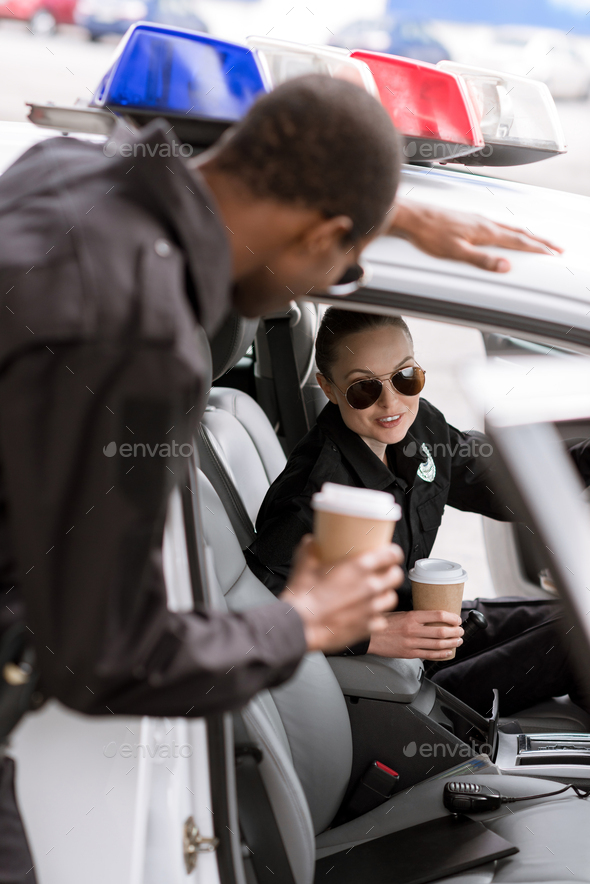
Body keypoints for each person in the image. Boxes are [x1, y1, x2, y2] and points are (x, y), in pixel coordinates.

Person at [0, 74, 562, 881]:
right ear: (317, 229)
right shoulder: (137, 344)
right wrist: (303, 620)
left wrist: (378, 211)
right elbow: (101, 659)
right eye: (339, 260)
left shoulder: (70, 173)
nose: (318, 287)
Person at [252, 307, 590, 718]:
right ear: (328, 387)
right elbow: (258, 619)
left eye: (405, 377)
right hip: (395, 683)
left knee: (578, 616)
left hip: (430, 631)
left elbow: (502, 484)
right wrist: (371, 634)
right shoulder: (316, 495)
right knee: (580, 639)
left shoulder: (420, 424)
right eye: (363, 388)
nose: (391, 401)